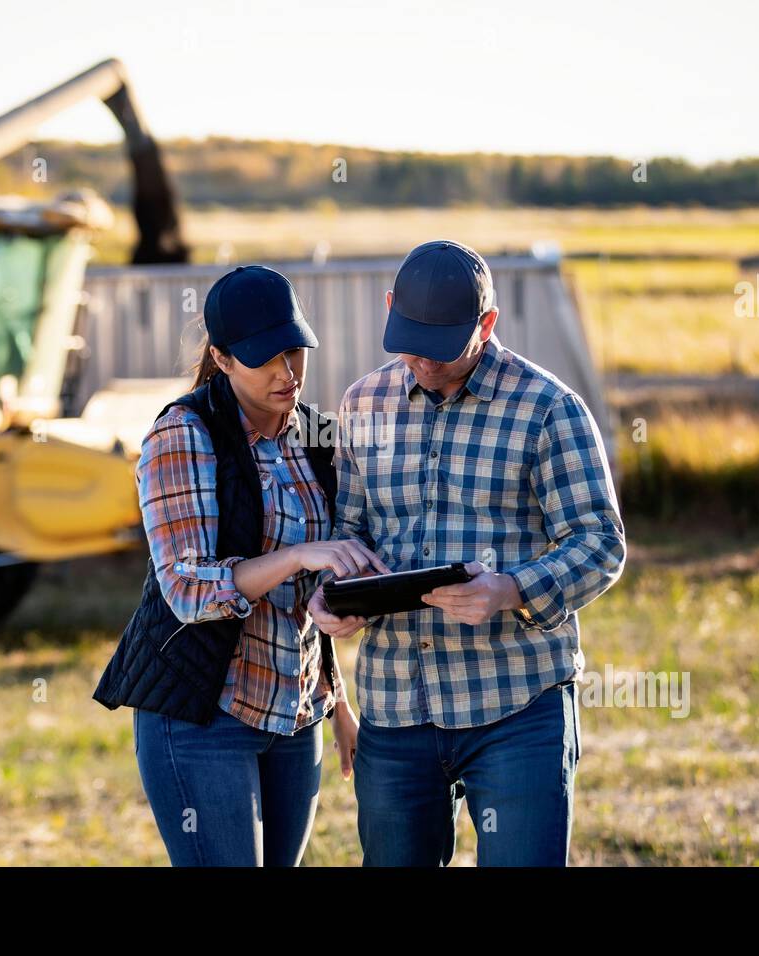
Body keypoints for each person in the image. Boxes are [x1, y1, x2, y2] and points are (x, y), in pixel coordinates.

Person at [307, 240, 626, 866]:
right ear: (389, 306)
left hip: (516, 705)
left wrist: (511, 590)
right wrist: (334, 596)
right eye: (407, 338)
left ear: (487, 324)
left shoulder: (549, 409)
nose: (421, 359)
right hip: (396, 707)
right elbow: (350, 534)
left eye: (441, 344)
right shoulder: (361, 404)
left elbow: (601, 542)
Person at [93, 264, 388, 866]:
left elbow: (316, 588)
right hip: (204, 716)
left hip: (294, 713)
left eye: (294, 350)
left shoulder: (317, 436)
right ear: (223, 359)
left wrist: (338, 703)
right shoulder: (183, 435)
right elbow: (184, 588)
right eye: (263, 358)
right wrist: (297, 555)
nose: (286, 372)